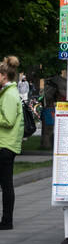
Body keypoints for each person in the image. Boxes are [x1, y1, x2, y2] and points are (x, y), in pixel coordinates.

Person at [0, 57, 24, 229]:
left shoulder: (9, 94)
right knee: (6, 183)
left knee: (6, 184)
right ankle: (6, 220)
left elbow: (7, 120)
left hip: (5, 145)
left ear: (3, 76)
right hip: (7, 144)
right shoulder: (8, 92)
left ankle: (7, 221)